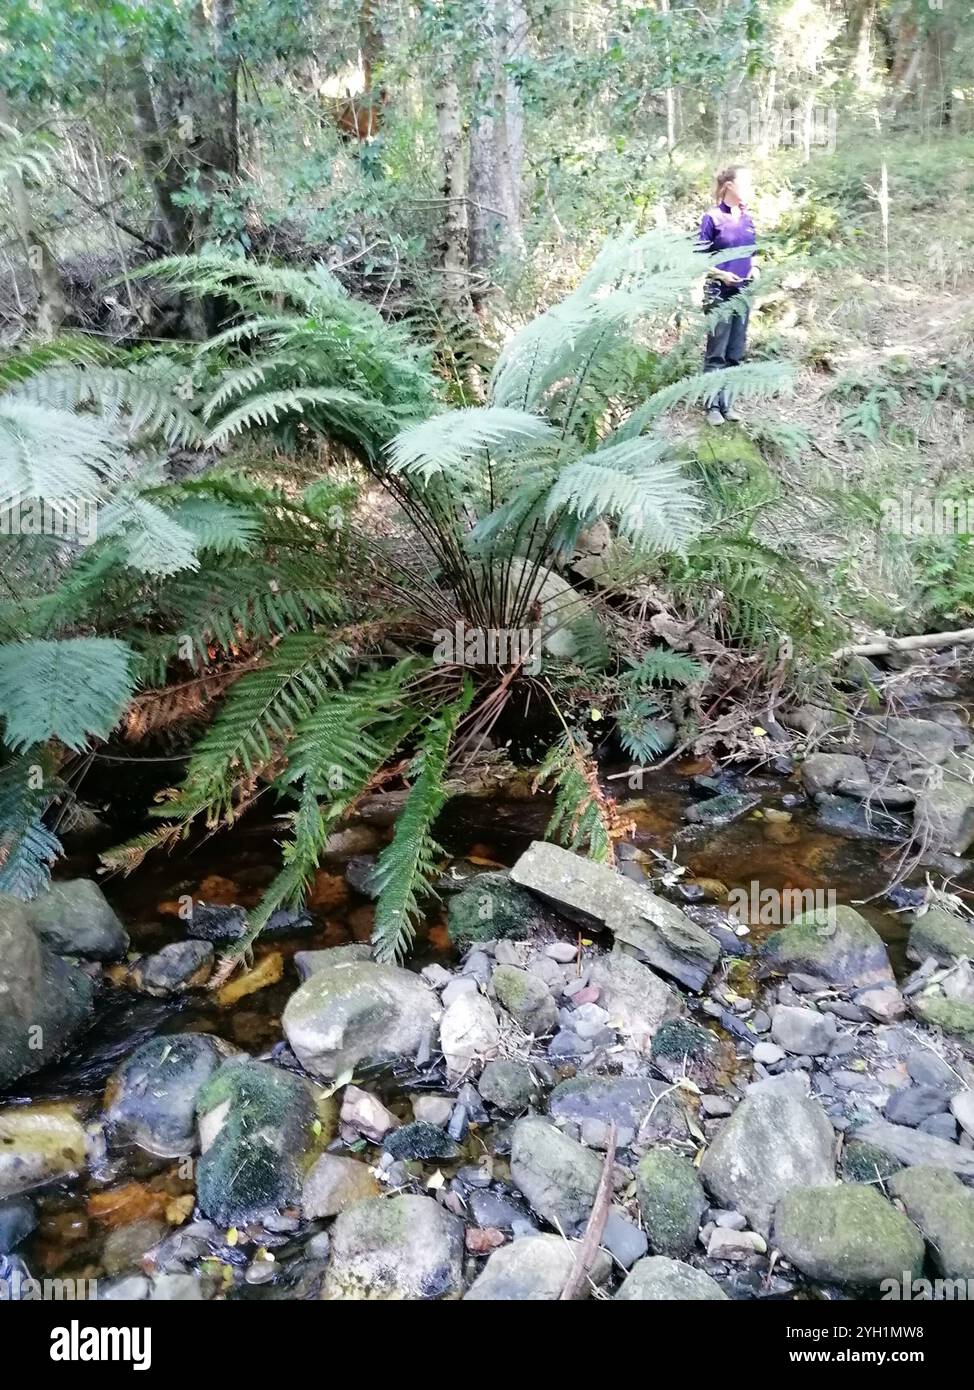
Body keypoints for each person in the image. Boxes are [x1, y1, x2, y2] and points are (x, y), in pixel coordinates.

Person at [698, 166, 756, 426]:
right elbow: (698, 260)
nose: (749, 187)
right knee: (717, 353)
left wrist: (755, 268)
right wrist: (721, 275)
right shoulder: (712, 218)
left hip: (743, 293)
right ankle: (711, 406)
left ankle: (727, 404)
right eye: (745, 182)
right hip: (719, 293)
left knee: (735, 353)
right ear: (730, 185)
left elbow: (752, 253)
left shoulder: (747, 218)